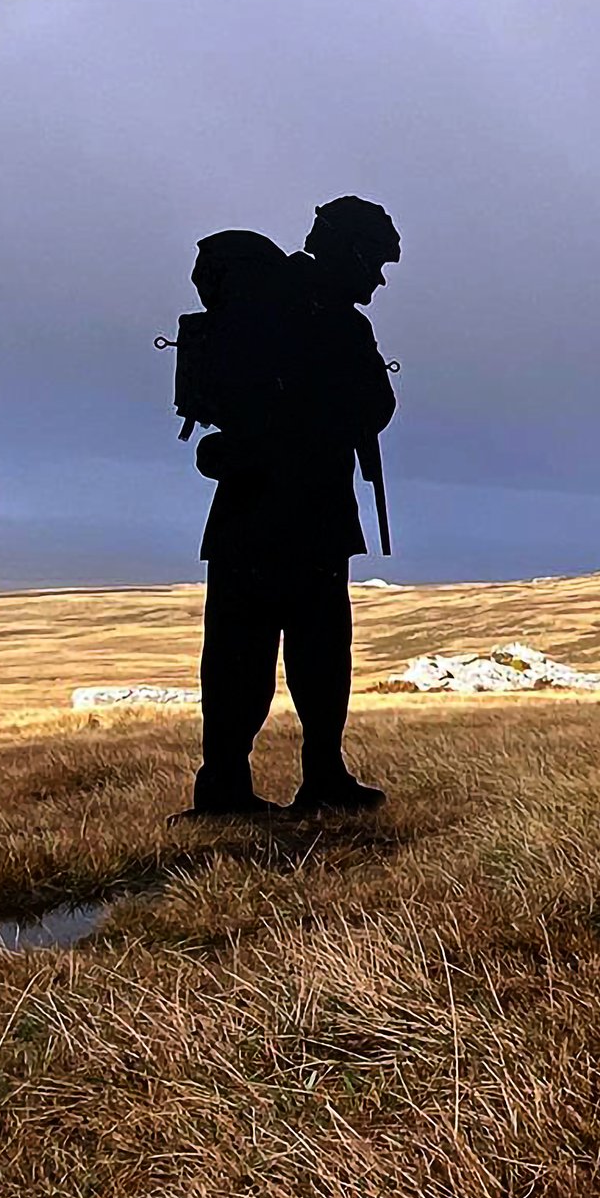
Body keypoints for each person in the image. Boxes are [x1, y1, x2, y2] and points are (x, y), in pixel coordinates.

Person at [185, 195, 400, 816]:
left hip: (250, 512)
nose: (378, 279)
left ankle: (227, 788)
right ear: (349, 251)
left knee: (241, 656)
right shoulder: (330, 318)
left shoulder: (266, 304)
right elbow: (372, 407)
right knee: (314, 657)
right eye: (376, 262)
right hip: (307, 515)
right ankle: (316, 779)